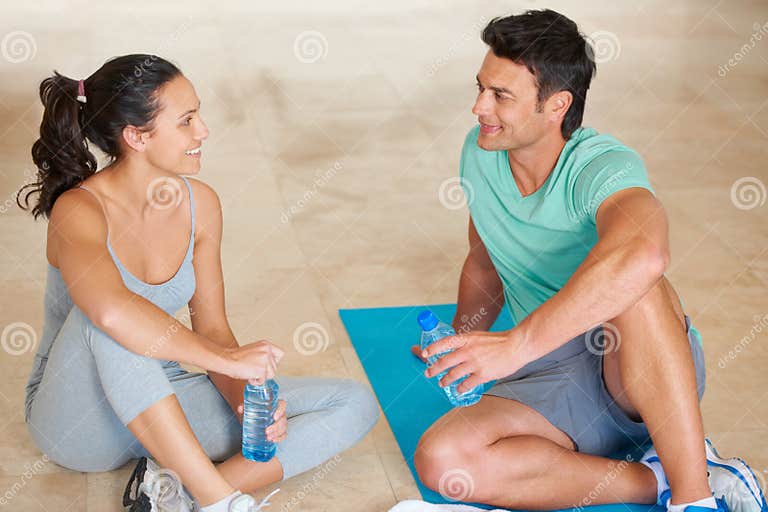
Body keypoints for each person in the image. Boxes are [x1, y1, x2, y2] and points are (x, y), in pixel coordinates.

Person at [410, 10, 767, 512]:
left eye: (500, 96)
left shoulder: (601, 166)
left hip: (634, 367)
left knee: (637, 280)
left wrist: (517, 344)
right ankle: (663, 476)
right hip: (553, 374)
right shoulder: (480, 153)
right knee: (444, 462)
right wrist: (458, 339)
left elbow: (647, 252)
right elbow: (485, 258)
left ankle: (695, 496)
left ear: (557, 105)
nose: (478, 108)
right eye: (481, 88)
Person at [18, 54, 379, 512]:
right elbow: (109, 311)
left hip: (158, 399)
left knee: (353, 403)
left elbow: (212, 328)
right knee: (110, 320)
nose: (203, 131)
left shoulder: (201, 204)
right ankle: (222, 502)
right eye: (186, 121)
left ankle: (172, 494)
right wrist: (230, 361)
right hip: (76, 419)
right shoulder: (79, 210)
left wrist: (242, 401)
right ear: (136, 137)